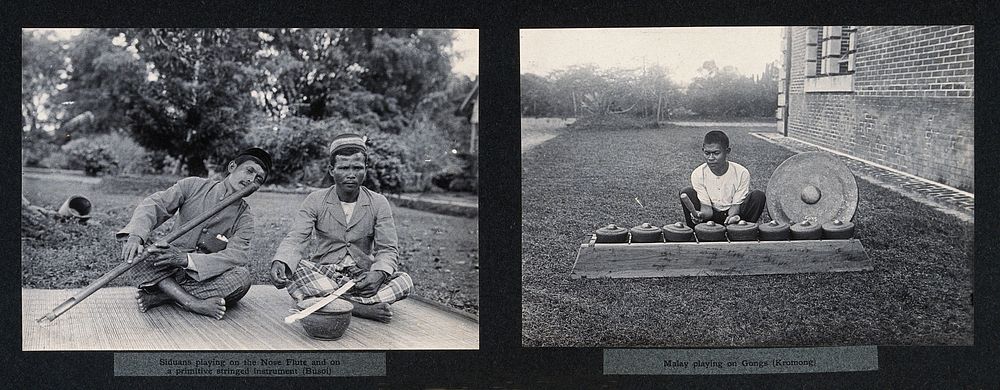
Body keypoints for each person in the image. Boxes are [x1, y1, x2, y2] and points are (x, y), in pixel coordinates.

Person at [269, 133, 413, 323]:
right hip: (326, 272)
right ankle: (360, 308)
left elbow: (387, 248)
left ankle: (325, 302)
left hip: (361, 277)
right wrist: (281, 261)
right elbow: (297, 238)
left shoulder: (378, 202)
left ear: (366, 169)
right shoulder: (315, 200)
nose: (351, 174)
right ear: (331, 170)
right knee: (296, 269)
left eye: (357, 168)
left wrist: (377, 274)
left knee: (404, 281)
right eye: (344, 168)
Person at [118, 147, 272, 320]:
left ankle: (164, 296)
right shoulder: (193, 185)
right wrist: (136, 236)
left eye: (258, 179)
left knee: (242, 279)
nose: (251, 180)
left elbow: (236, 256)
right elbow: (155, 205)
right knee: (133, 249)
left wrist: (186, 260)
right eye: (249, 171)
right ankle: (193, 302)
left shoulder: (245, 218)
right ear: (232, 167)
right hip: (165, 265)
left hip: (200, 277)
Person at [680, 130, 766, 228]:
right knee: (686, 191)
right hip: (711, 216)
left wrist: (732, 217)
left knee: (758, 196)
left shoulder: (741, 172)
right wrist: (700, 215)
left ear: (727, 151)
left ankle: (743, 230)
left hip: (734, 213)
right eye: (707, 153)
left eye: (716, 153)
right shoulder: (698, 174)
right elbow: (707, 209)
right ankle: (698, 232)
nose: (711, 158)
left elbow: (735, 206)